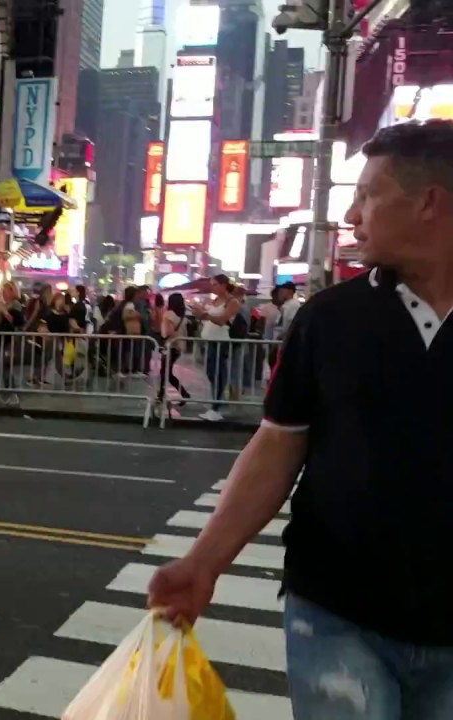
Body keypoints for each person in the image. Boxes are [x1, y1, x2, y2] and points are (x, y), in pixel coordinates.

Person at [148, 120, 453, 720]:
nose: (351, 212)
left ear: (429, 203)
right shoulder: (329, 319)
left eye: (368, 194)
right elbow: (279, 445)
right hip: (337, 612)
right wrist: (203, 562)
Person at [188, 275, 240, 421]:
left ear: (224, 285)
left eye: (215, 284)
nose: (213, 287)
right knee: (211, 373)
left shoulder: (232, 301)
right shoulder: (215, 300)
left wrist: (205, 315)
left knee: (218, 373)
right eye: (212, 284)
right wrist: (200, 313)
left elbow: (223, 320)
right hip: (209, 340)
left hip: (221, 341)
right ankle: (215, 404)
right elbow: (208, 318)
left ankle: (216, 407)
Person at [159, 292, 190, 406]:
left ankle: (182, 393)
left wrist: (175, 344)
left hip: (171, 346)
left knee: (165, 372)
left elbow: (170, 331)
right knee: (165, 371)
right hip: (178, 346)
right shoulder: (182, 316)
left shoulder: (169, 314)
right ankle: (161, 394)